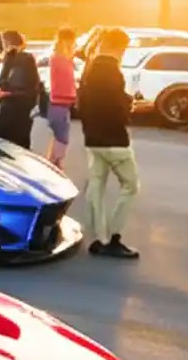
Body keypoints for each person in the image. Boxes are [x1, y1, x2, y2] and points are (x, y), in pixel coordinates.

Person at [77, 26, 140, 259]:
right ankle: (114, 236)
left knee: (96, 186)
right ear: (119, 47)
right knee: (131, 186)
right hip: (114, 140)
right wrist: (128, 105)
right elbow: (115, 110)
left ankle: (99, 237)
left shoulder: (89, 68)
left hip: (92, 138)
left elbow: (84, 104)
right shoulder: (113, 71)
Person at [0, 30, 43, 149]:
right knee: (21, 142)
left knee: (5, 141)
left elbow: (4, 81)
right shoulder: (26, 58)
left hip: (13, 105)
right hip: (24, 106)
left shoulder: (16, 58)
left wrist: (5, 92)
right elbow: (34, 84)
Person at [45, 26, 77, 168]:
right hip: (58, 103)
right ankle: (56, 164)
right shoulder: (58, 58)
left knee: (60, 136)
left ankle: (52, 163)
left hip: (63, 104)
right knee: (62, 137)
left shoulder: (65, 58)